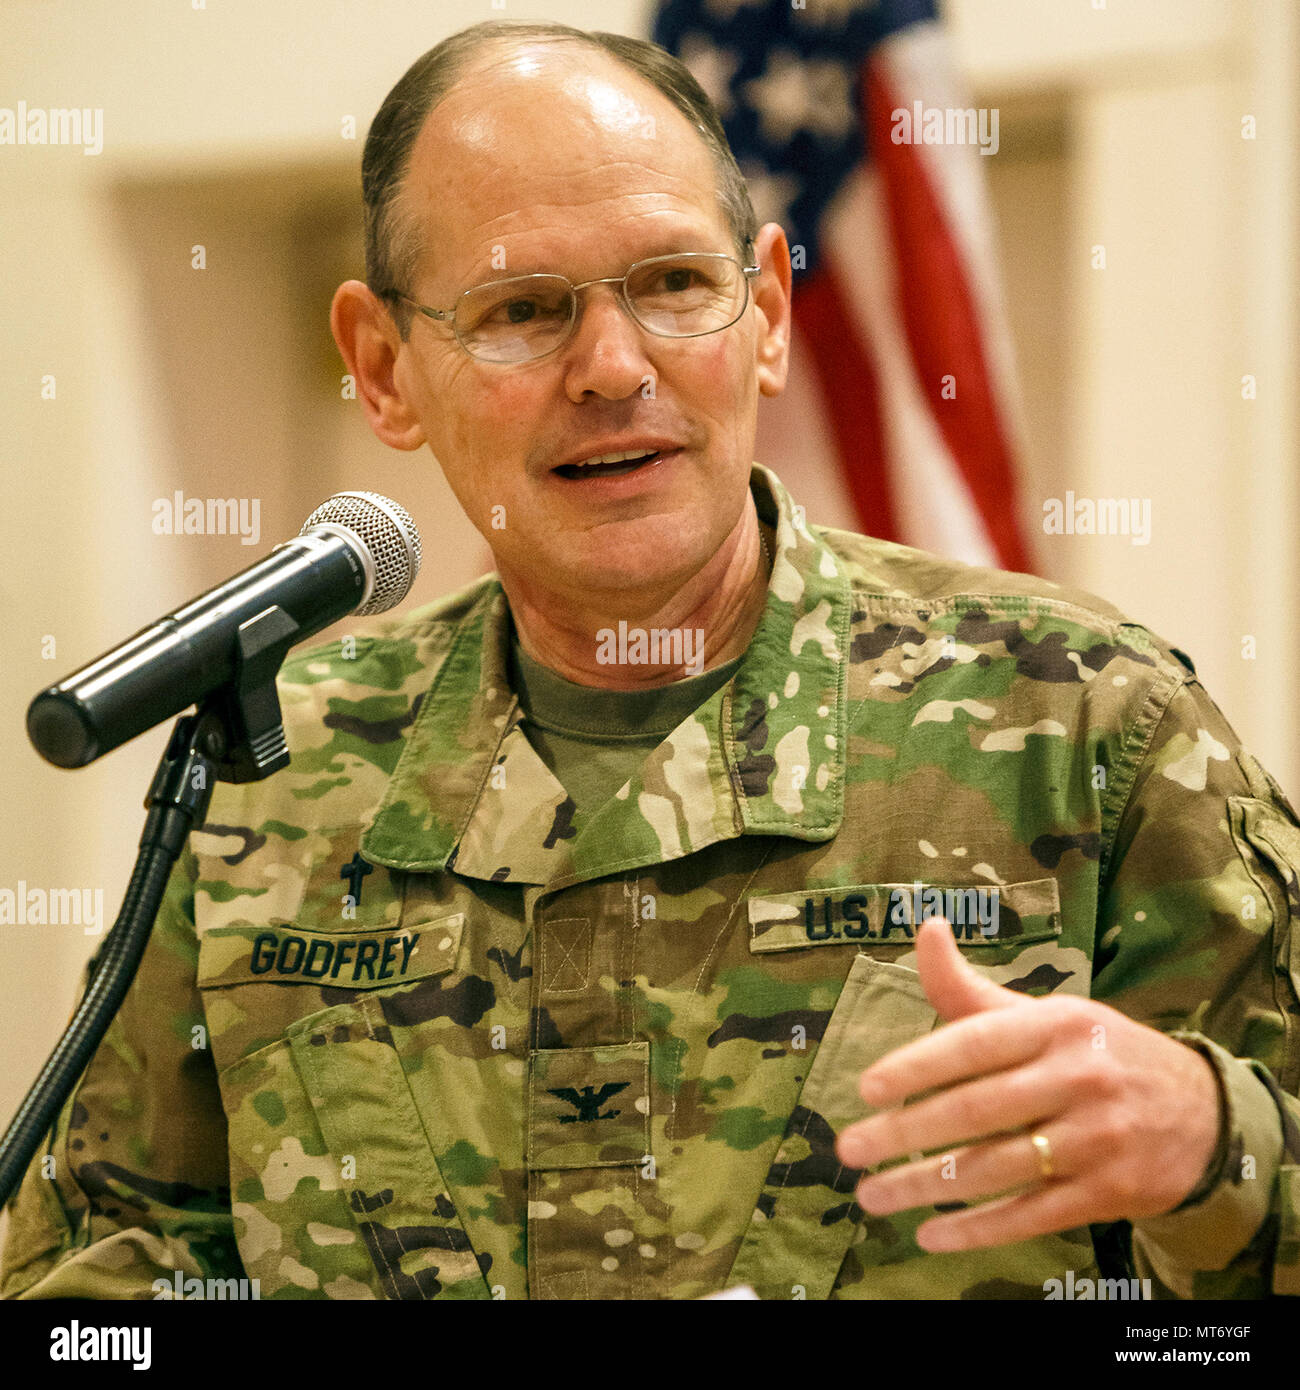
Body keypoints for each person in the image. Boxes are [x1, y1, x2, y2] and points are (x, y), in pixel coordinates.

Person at [3, 20, 1298, 1302]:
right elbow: (101, 1265)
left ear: (770, 313)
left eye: (675, 284)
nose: (615, 368)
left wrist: (1208, 1139)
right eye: (522, 309)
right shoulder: (268, 774)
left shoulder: (1084, 723)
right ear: (383, 370)